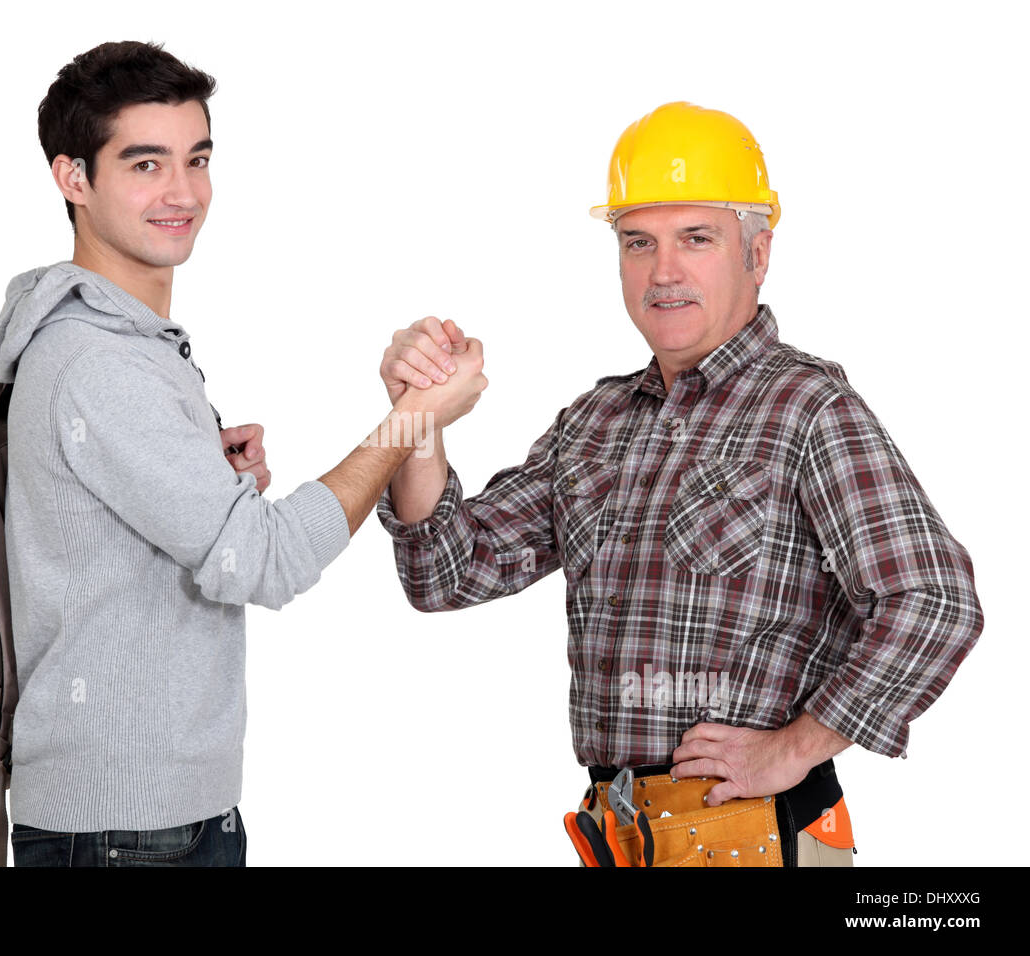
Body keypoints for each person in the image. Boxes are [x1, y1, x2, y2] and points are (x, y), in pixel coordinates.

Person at [375, 101, 983, 866]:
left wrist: (797, 747)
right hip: (625, 837)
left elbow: (935, 599)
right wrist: (416, 421)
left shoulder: (807, 408)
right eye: (639, 243)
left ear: (757, 254)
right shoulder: (597, 420)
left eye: (696, 239)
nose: (663, 272)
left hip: (754, 836)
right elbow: (447, 573)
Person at [0, 40, 487, 867]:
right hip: (124, 831)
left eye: (197, 158)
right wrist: (411, 421)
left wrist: (202, 477)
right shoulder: (99, 362)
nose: (183, 193)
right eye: (145, 164)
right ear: (73, 179)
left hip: (150, 819)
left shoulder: (125, 346)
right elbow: (267, 561)